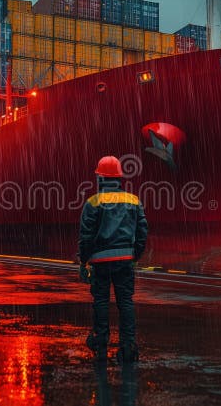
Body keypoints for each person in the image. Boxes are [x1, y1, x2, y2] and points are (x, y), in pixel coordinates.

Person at [79, 155, 148, 363]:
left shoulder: (93, 202)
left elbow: (86, 236)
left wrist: (83, 262)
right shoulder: (133, 200)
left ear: (100, 178)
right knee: (125, 302)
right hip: (125, 260)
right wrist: (135, 254)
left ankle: (101, 340)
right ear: (119, 178)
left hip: (100, 263)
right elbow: (143, 231)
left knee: (100, 301)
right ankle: (128, 346)